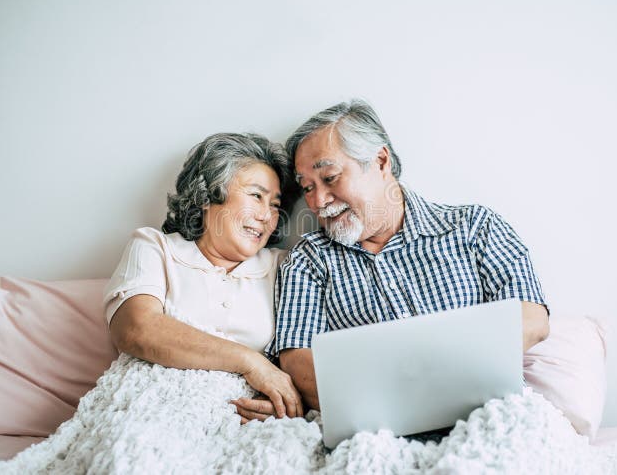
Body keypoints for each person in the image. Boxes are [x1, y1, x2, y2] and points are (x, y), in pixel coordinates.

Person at [233, 100, 549, 422]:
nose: (318, 201)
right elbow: (298, 363)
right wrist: (404, 400)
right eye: (308, 188)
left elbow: (532, 321)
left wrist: (434, 379)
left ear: (380, 161)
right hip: (376, 428)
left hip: (489, 417)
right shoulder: (307, 260)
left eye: (330, 177)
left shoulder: (474, 227)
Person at [104, 132, 303, 421]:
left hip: (242, 422)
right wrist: (251, 362)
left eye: (274, 204)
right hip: (152, 409)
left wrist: (283, 401)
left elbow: (303, 359)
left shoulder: (286, 266)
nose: (266, 216)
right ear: (208, 195)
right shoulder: (155, 247)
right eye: (256, 196)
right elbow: (135, 329)